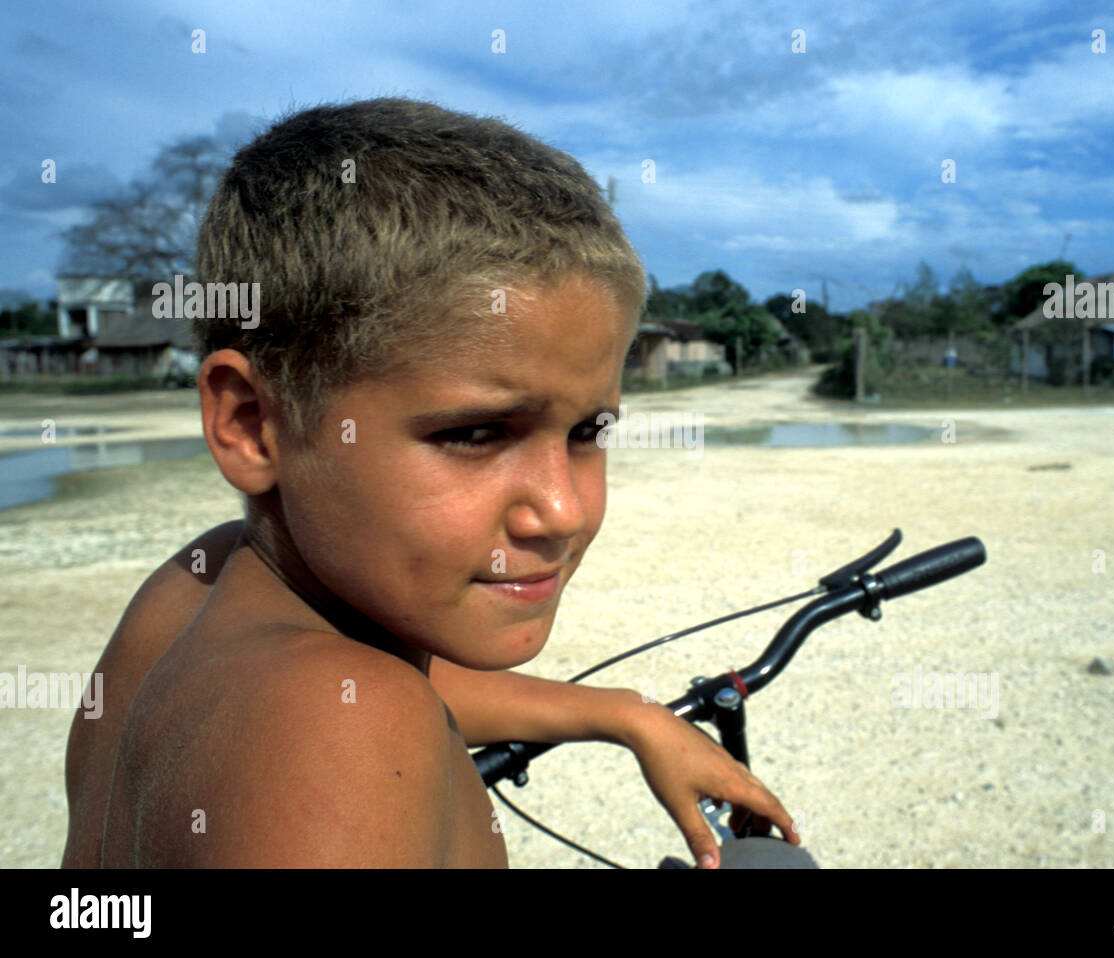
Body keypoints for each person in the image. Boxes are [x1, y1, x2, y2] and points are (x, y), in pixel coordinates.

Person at [60, 97, 800, 868]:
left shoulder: (193, 590)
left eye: (589, 432)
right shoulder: (348, 730)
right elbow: (353, 705)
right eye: (474, 434)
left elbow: (370, 678)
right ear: (251, 424)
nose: (563, 511)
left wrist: (627, 717)